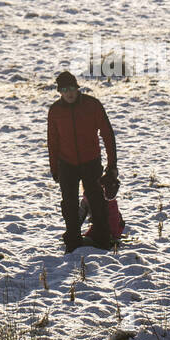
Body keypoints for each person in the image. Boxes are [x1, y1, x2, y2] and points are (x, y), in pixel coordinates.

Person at [47, 71, 118, 252]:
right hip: (67, 164)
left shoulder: (92, 105)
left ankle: (103, 241)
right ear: (59, 92)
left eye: (72, 88)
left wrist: (112, 166)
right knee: (69, 204)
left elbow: (108, 135)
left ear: (77, 88)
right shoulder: (55, 111)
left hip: (91, 162)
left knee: (97, 202)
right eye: (64, 89)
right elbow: (53, 141)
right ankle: (73, 241)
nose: (69, 93)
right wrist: (55, 168)